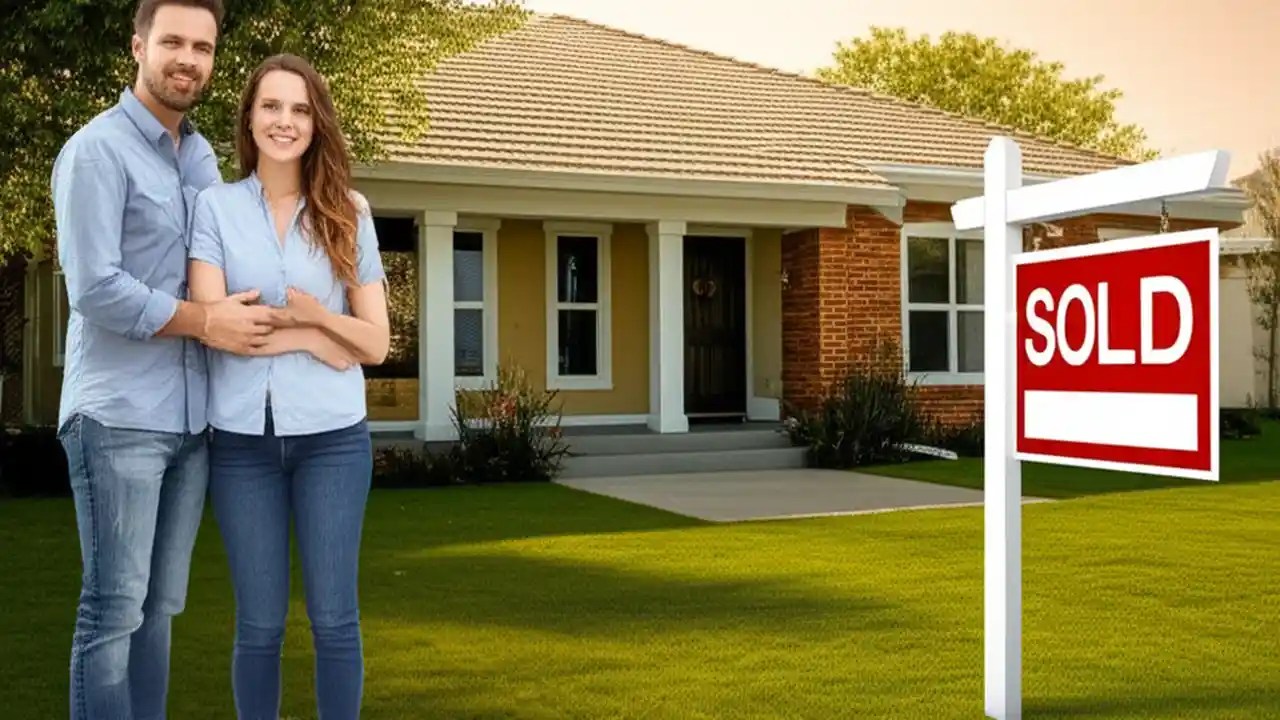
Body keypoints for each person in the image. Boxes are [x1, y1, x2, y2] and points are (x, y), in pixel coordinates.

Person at [50, 1, 280, 717]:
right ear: (138, 47)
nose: (187, 59)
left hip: (191, 422)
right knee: (114, 608)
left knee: (160, 607)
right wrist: (206, 321)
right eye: (173, 42)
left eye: (202, 47)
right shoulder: (97, 151)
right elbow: (95, 287)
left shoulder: (203, 159)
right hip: (118, 417)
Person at [186, 52, 390, 719]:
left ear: (316, 122)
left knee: (335, 619)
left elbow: (376, 343)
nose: (285, 121)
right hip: (241, 445)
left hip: (333, 442)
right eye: (271, 106)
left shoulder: (348, 212)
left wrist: (316, 322)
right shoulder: (215, 208)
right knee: (259, 626)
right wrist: (320, 339)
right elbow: (218, 327)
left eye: (300, 109)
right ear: (249, 117)